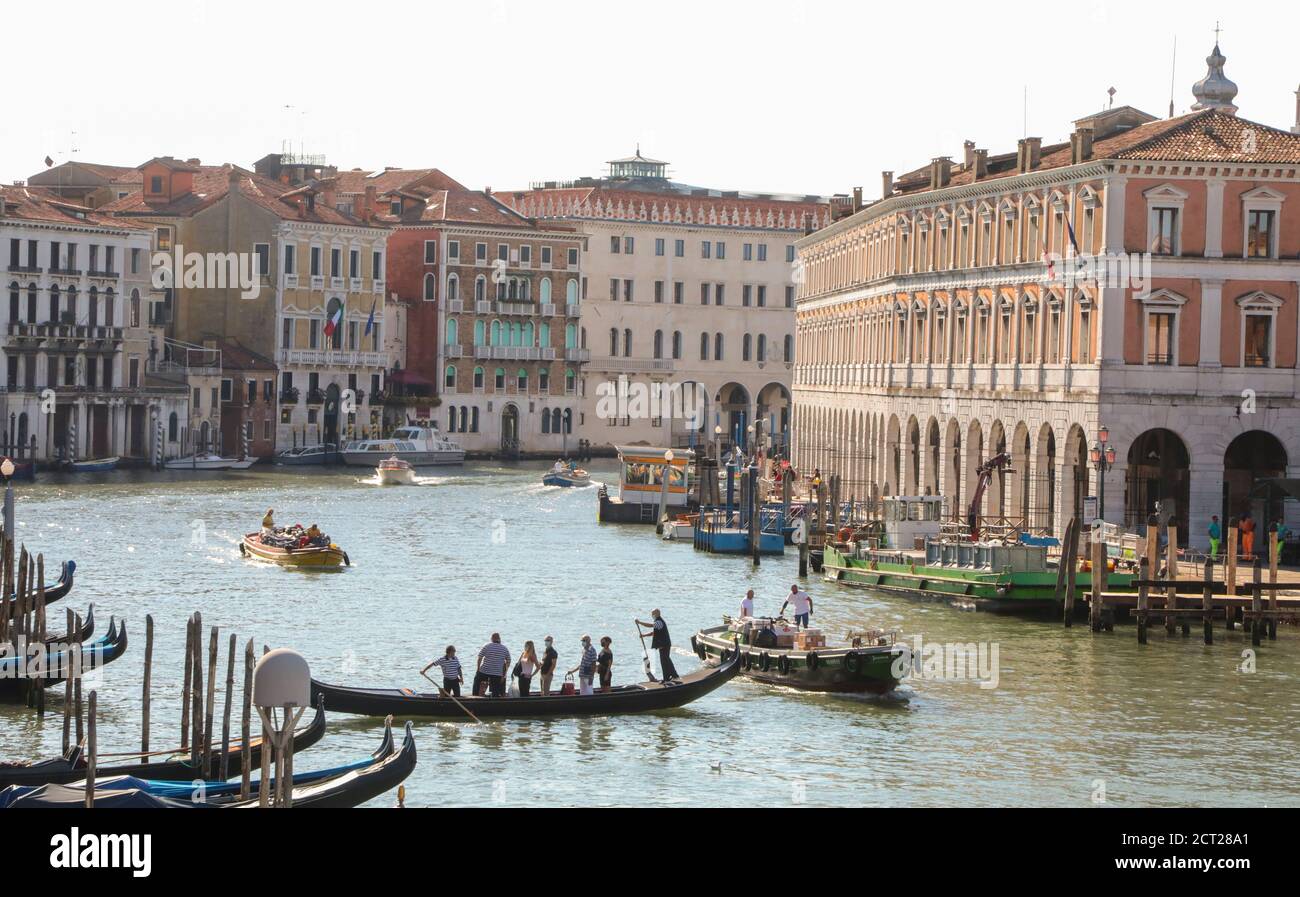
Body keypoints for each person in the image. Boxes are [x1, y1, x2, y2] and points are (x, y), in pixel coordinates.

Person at [636, 609, 679, 683]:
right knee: (665, 660)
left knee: (665, 660)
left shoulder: (659, 621)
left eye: (653, 614)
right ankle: (671, 675)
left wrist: (640, 622)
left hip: (664, 645)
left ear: (657, 614)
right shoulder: (658, 622)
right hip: (663, 645)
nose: (652, 615)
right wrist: (644, 635)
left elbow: (650, 626)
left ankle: (669, 677)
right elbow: (654, 632)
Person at [474, 633, 511, 697]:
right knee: (496, 688)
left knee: (477, 680)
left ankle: (475, 694)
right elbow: (508, 661)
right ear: (499, 639)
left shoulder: (487, 646)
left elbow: (480, 658)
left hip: (485, 671)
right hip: (497, 673)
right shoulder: (504, 648)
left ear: (492, 639)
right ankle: (496, 696)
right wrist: (504, 674)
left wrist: (478, 669)